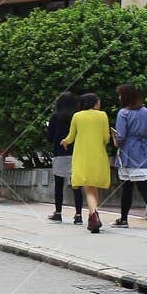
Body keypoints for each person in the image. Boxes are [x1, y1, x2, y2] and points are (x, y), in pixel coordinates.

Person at [112, 84, 147, 229]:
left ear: (126, 96)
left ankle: (124, 219)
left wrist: (115, 139)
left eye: (121, 95)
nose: (119, 97)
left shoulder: (123, 113)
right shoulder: (145, 111)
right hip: (144, 150)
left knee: (127, 186)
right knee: (143, 185)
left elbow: (121, 136)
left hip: (129, 151)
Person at [62, 92, 111, 233]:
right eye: (98, 101)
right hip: (98, 155)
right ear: (94, 103)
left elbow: (71, 137)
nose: (99, 104)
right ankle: (93, 217)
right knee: (94, 187)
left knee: (88, 188)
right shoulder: (103, 116)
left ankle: (94, 216)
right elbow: (105, 138)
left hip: (82, 155)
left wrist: (65, 142)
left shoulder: (77, 116)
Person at [45, 91, 81, 224]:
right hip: (76, 153)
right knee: (77, 186)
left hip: (59, 153)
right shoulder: (77, 117)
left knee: (59, 185)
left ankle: (58, 213)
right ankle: (78, 216)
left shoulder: (55, 117)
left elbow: (50, 137)